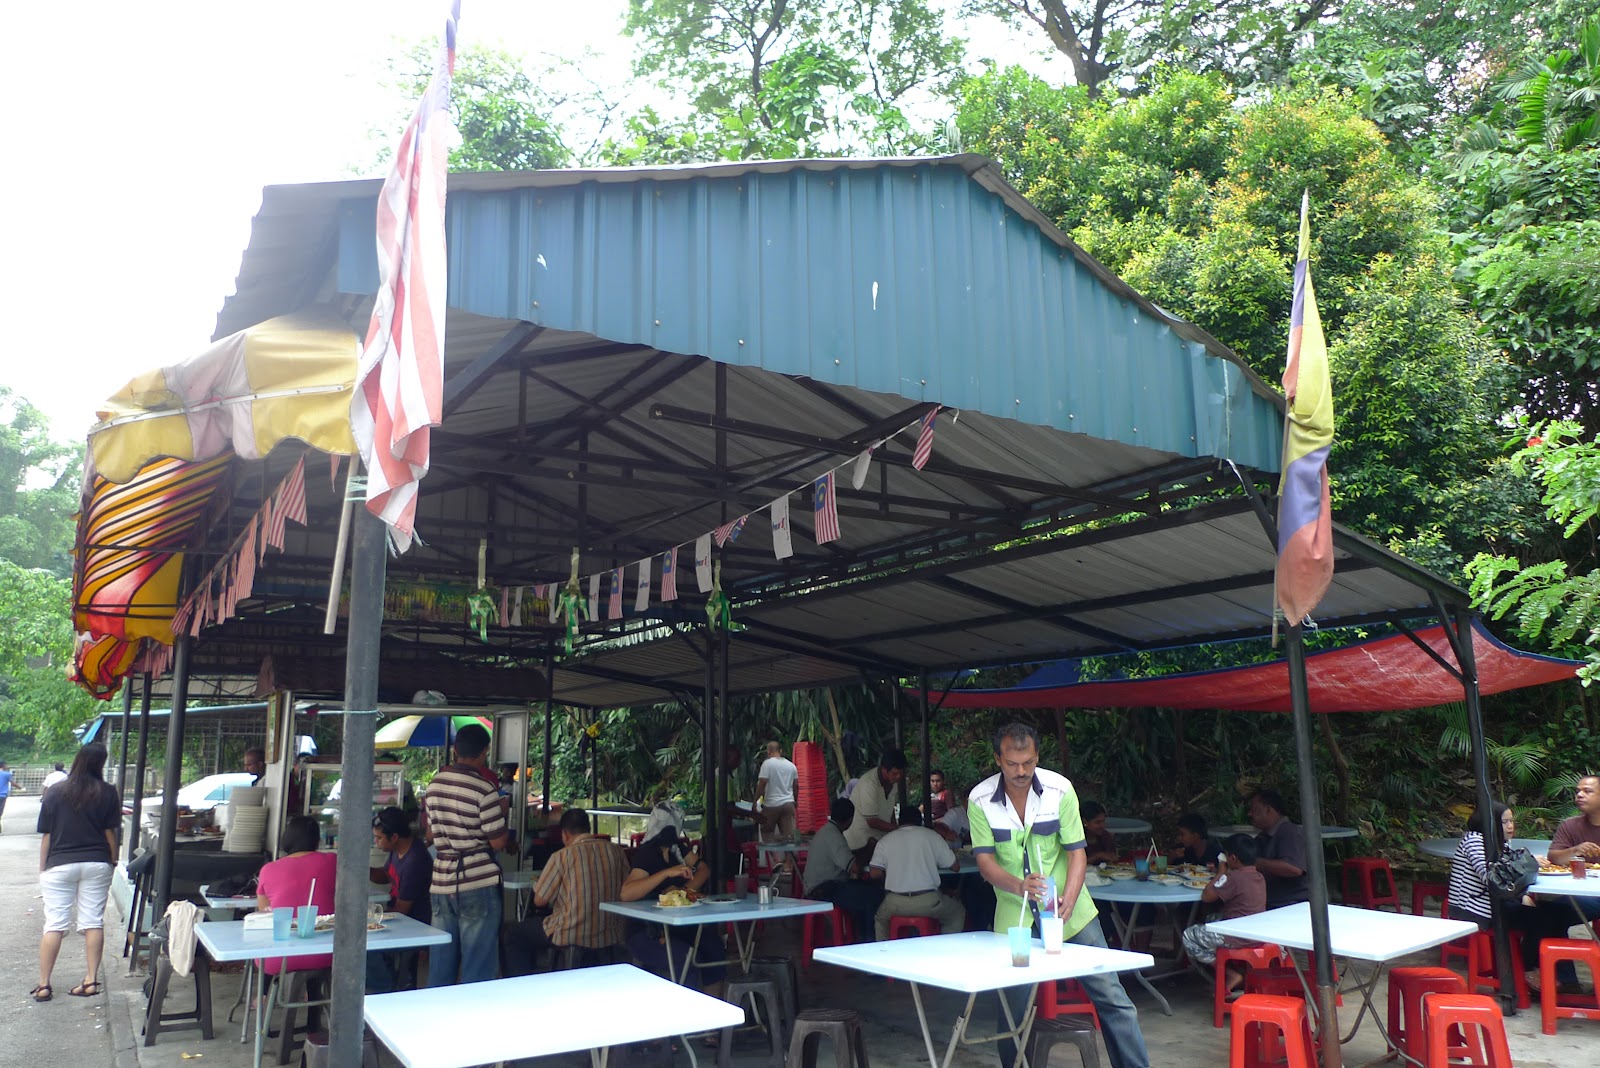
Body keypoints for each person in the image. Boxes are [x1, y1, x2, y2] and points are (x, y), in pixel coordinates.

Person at [971, 723, 1150, 1068]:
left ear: (1037, 756)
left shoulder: (1060, 790)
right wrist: (1018, 885)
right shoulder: (979, 799)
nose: (1021, 771)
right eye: (1012, 763)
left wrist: (1068, 897)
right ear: (998, 759)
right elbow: (984, 862)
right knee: (1012, 1009)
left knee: (1112, 997)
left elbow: (1076, 852)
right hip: (1016, 913)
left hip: (1071, 908)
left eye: (1027, 762)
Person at [1448, 801, 1583, 993]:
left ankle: (1561, 978)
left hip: (1497, 904)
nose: (1511, 826)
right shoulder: (1475, 840)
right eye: (1505, 822)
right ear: (1491, 822)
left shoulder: (1499, 842)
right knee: (1545, 918)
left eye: (1512, 821)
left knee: (1555, 913)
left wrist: (1524, 893)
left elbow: (1514, 874)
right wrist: (1528, 861)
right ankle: (1528, 971)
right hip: (1476, 910)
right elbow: (1494, 877)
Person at [33, 743, 121, 1002]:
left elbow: (47, 835)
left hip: (59, 864)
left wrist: (43, 868)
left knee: (55, 924)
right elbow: (109, 833)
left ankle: (43, 985)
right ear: (101, 764)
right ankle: (91, 980)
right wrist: (112, 861)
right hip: (97, 862)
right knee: (93, 921)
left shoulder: (55, 792)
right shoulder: (108, 792)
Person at [423, 723, 509, 986]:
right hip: (477, 882)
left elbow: (430, 833)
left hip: (441, 881)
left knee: (440, 962)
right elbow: (497, 842)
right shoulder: (484, 789)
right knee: (477, 965)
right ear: (484, 753)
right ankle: (472, 1021)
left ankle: (437, 1018)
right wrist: (502, 813)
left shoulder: (434, 785)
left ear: (455, 750)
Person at [501, 808, 629, 976]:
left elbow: (540, 901)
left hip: (570, 931)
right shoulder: (615, 851)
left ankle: (522, 985)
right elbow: (627, 887)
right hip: (608, 931)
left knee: (512, 933)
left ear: (565, 834)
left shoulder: (562, 856)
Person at [619, 807, 726, 999]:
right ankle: (689, 1020)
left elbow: (703, 869)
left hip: (677, 927)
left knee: (714, 948)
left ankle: (712, 1011)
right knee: (685, 958)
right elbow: (626, 893)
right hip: (646, 932)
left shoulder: (678, 849)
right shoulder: (648, 855)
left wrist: (684, 891)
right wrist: (665, 874)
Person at [255, 815, 339, 988]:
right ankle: (314, 1007)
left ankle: (263, 996)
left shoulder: (268, 869)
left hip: (277, 958)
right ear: (317, 839)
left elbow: (264, 914)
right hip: (329, 954)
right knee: (316, 940)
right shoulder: (333, 861)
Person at [1180, 834, 1268, 986]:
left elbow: (1206, 896)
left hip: (1236, 936)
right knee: (1211, 918)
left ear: (1232, 858)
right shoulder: (1258, 876)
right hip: (1256, 932)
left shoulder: (1232, 877)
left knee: (1189, 935)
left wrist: (1221, 872)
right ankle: (1231, 964)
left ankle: (1228, 972)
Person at [869, 806, 964, 940]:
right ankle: (944, 949)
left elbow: (874, 873)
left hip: (895, 902)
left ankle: (884, 953)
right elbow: (955, 867)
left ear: (899, 822)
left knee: (881, 920)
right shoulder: (932, 836)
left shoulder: (885, 840)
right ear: (920, 821)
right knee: (957, 912)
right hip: (928, 901)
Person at [367, 807, 431, 993]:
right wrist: (364, 868)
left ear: (394, 837)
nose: (376, 842)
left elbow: (402, 910)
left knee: (366, 948)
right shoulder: (399, 850)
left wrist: (374, 920)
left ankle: (383, 992)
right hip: (400, 917)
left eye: (379, 838)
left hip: (412, 925)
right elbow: (386, 875)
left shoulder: (415, 861)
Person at [802, 797, 883, 939]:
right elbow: (855, 868)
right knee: (873, 896)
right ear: (850, 819)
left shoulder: (828, 831)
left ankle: (861, 939)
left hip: (822, 885)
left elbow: (848, 856)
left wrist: (866, 849)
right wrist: (870, 849)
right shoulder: (834, 836)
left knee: (867, 891)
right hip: (824, 889)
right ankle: (868, 941)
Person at [1548, 774, 1600, 924]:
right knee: (1549, 912)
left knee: (1549, 913)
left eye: (1587, 791)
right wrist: (1575, 850)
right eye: (1578, 791)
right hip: (1578, 891)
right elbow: (1553, 858)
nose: (1580, 795)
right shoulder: (1570, 825)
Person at [844, 748, 907, 863]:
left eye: (900, 773)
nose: (898, 777)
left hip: (878, 842)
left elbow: (890, 808)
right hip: (859, 845)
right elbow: (872, 821)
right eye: (895, 773)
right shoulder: (868, 784)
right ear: (884, 769)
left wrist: (896, 831)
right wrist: (898, 830)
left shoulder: (893, 783)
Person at [1248, 789, 1309, 907]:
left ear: (1268, 810)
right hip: (1272, 901)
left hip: (1291, 903)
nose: (1250, 814)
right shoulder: (1265, 835)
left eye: (1254, 809)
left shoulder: (1290, 832)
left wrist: (1255, 862)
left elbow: (1294, 869)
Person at [754, 740, 799, 840]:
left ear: (768, 752)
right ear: (781, 751)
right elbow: (796, 786)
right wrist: (795, 801)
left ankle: (774, 856)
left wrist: (754, 802)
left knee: (767, 833)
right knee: (789, 837)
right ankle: (789, 856)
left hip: (771, 805)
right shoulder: (792, 766)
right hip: (788, 804)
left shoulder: (767, 764)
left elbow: (762, 783)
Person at [0, 759, 12, 833]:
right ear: (3, 765)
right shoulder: (7, 774)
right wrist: (20, 787)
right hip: (2, 796)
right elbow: (12, 783)